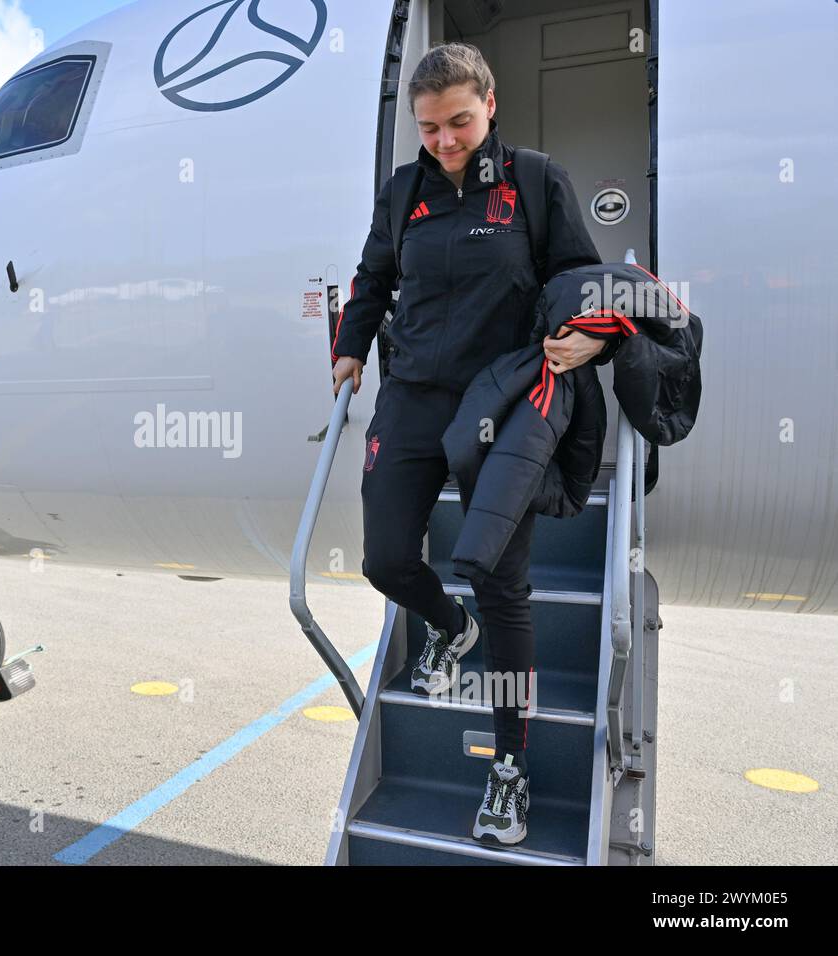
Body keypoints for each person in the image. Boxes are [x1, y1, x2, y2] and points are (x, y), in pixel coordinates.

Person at [330, 42, 611, 846]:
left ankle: (510, 770)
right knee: (385, 557)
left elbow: (576, 277)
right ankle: (448, 630)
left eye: (459, 120)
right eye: (429, 127)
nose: (446, 139)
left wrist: (589, 337)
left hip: (503, 396)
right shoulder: (402, 191)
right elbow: (373, 276)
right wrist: (351, 344)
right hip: (414, 393)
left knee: (502, 580)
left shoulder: (533, 179)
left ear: (490, 104)